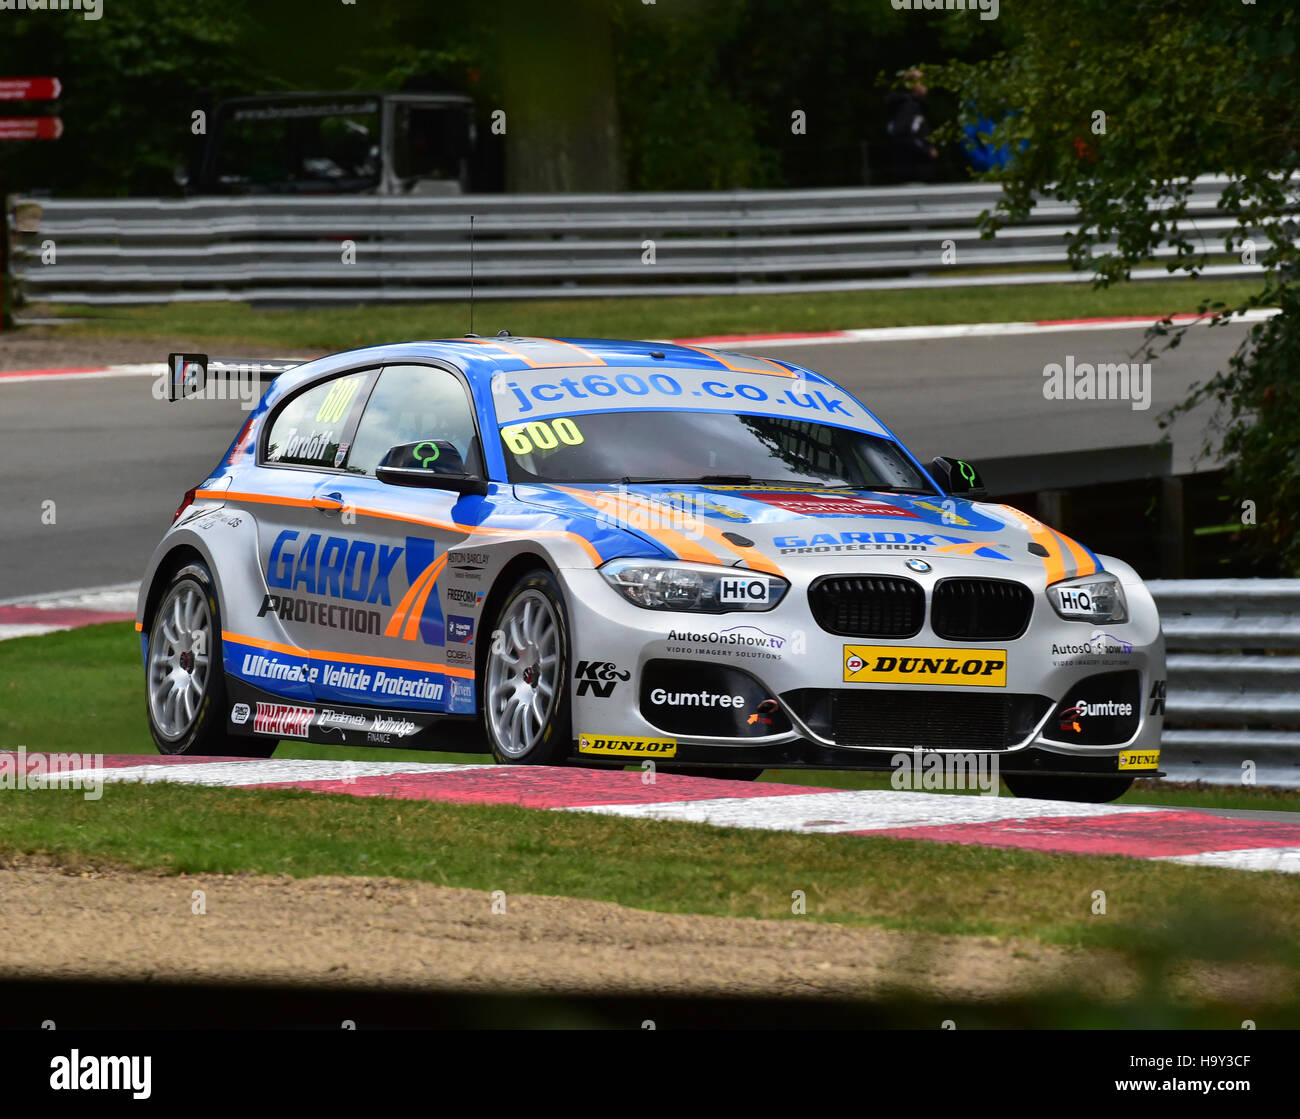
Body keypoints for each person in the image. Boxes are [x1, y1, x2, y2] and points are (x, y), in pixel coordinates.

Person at [886, 69, 940, 183]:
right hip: (914, 173)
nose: (927, 85)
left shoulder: (917, 106)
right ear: (912, 85)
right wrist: (927, 151)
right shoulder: (908, 108)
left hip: (918, 170)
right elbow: (904, 134)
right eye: (923, 81)